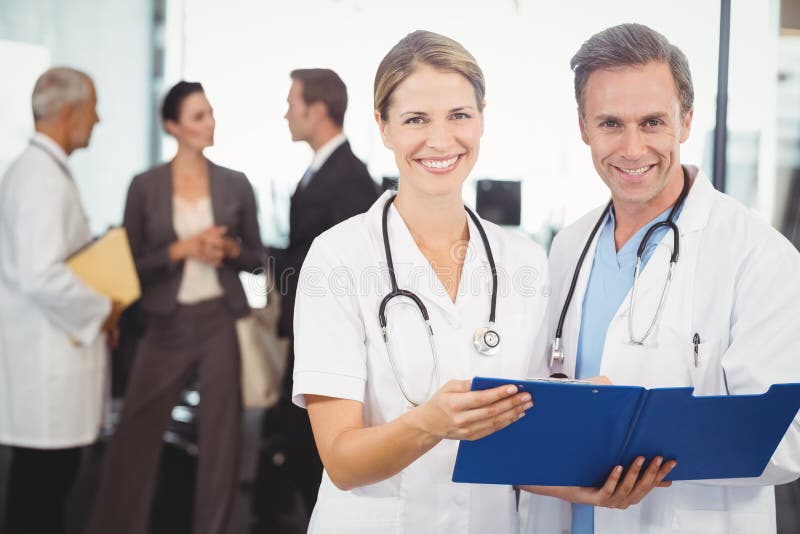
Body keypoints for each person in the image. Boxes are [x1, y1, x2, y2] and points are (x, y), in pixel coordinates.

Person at [522, 23, 800, 534]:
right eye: (610, 123)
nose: (632, 148)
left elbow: (785, 440)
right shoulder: (569, 245)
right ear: (583, 127)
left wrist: (628, 436)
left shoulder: (758, 256)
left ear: (686, 121)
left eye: (652, 122)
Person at [290, 30, 549, 533]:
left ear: (481, 118)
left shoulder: (525, 261)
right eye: (415, 120)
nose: (440, 140)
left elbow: (526, 439)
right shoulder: (339, 257)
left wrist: (593, 477)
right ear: (383, 128)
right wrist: (431, 423)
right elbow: (341, 460)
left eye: (459, 115)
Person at [87, 81, 265, 534]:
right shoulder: (144, 186)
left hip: (219, 319)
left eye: (210, 113)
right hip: (166, 324)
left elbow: (257, 260)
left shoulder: (235, 183)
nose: (210, 124)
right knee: (134, 433)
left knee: (222, 442)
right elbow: (132, 267)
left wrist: (226, 248)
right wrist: (181, 248)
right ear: (173, 126)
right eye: (198, 117)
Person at [255, 67, 378, 526]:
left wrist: (254, 253)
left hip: (334, 338)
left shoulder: (348, 178)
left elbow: (328, 264)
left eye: (293, 103)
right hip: (310, 329)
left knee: (310, 451)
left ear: (318, 110)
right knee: (296, 444)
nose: (286, 113)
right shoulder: (322, 169)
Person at [0, 67, 120, 534]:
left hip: (49, 360)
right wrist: (102, 306)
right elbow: (40, 274)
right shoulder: (38, 179)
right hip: (45, 366)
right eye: (93, 108)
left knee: (46, 492)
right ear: (69, 112)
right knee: (40, 497)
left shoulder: (43, 172)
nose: (99, 119)